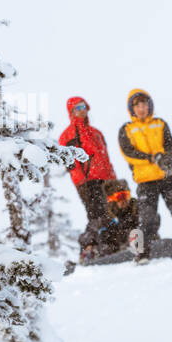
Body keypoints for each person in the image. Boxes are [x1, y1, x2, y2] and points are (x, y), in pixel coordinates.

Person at [117, 88, 172, 263]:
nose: (142, 108)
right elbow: (128, 153)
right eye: (138, 105)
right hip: (146, 180)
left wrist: (166, 158)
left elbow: (170, 145)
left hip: (168, 177)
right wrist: (151, 157)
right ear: (131, 108)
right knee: (146, 219)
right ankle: (141, 254)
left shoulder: (160, 123)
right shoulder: (127, 129)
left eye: (145, 104)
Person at [58, 97, 116, 247]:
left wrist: (112, 178)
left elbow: (105, 157)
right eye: (77, 108)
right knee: (96, 215)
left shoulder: (96, 132)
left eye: (83, 106)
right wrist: (82, 181)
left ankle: (109, 244)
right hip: (87, 181)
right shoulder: (67, 135)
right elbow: (70, 162)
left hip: (106, 179)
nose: (81, 110)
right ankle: (88, 246)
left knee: (111, 213)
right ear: (71, 112)